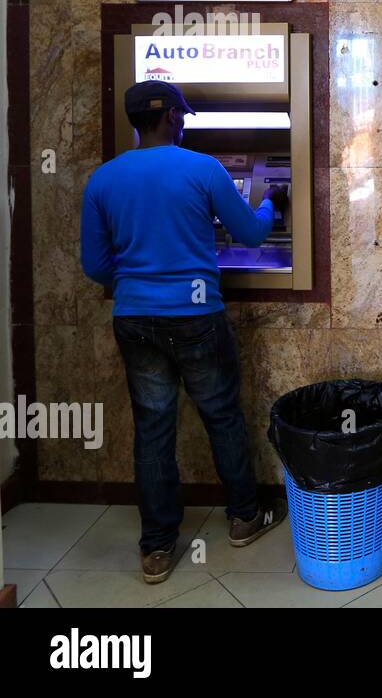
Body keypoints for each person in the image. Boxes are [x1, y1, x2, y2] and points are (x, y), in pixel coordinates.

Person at [80, 81, 288, 584]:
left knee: (153, 431)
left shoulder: (103, 180)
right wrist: (272, 202)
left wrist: (135, 285)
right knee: (221, 416)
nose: (186, 122)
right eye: (183, 115)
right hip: (196, 315)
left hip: (135, 318)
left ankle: (156, 549)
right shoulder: (202, 168)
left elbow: (94, 264)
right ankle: (243, 516)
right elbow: (254, 234)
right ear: (172, 117)